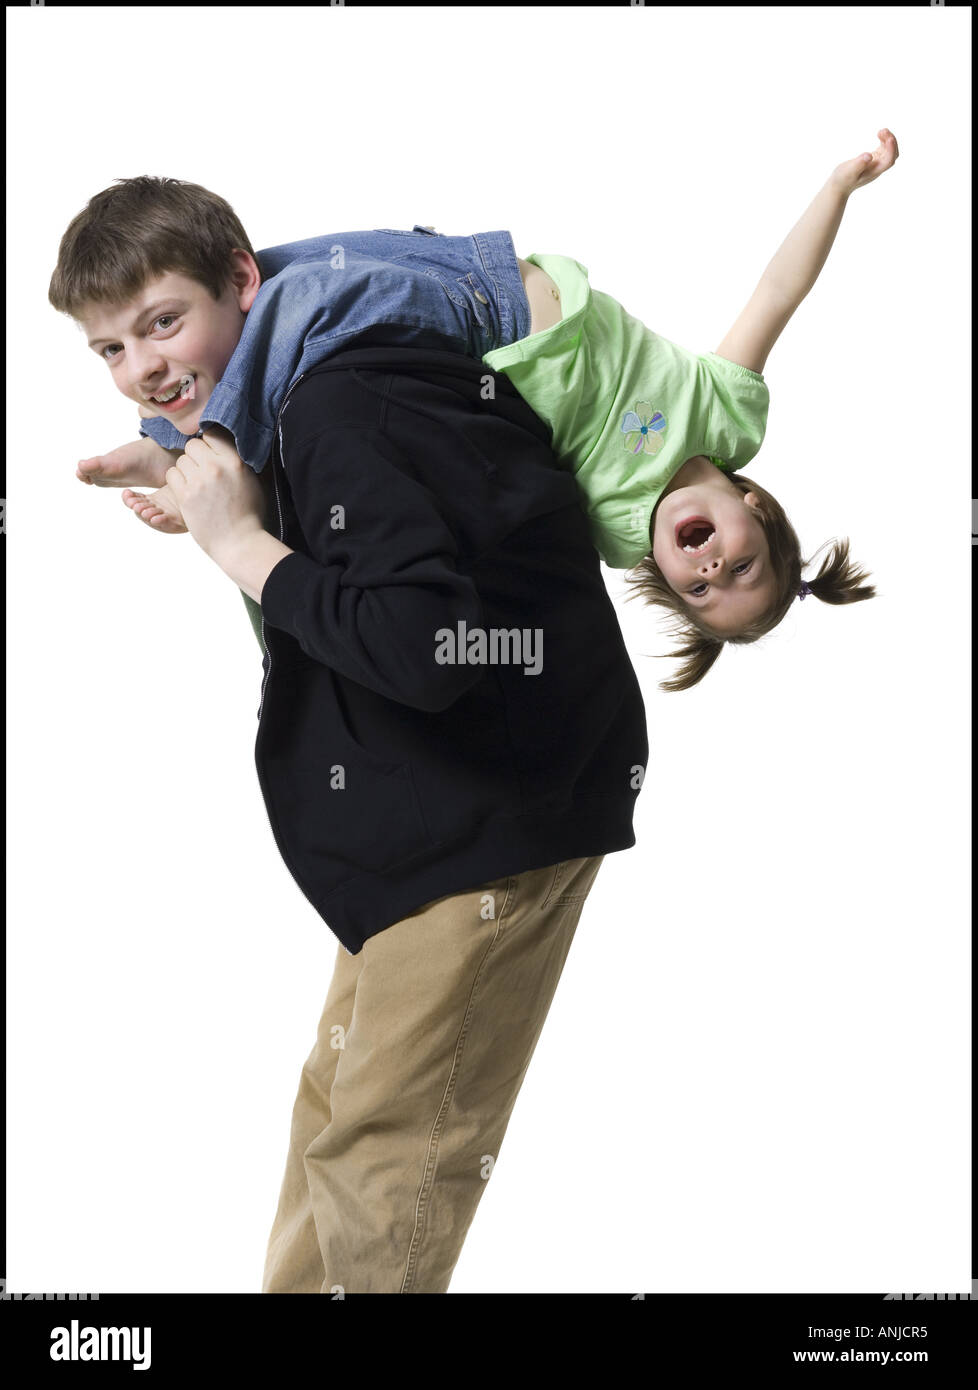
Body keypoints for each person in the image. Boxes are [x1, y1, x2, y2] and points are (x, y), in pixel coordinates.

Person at [48, 182, 650, 1293]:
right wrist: (230, 480)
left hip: (488, 820)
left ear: (243, 279)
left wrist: (241, 545)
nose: (140, 368)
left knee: (385, 1162)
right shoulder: (307, 396)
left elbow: (430, 645)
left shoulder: (346, 397)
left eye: (163, 321)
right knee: (334, 1127)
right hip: (422, 830)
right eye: (111, 349)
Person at [63, 128, 897, 692]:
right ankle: (184, 443)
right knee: (238, 280)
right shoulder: (727, 415)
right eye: (741, 570)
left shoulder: (610, 532)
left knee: (278, 317)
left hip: (450, 335)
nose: (709, 573)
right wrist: (838, 189)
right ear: (755, 507)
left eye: (701, 596)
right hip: (483, 280)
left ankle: (186, 455)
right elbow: (778, 294)